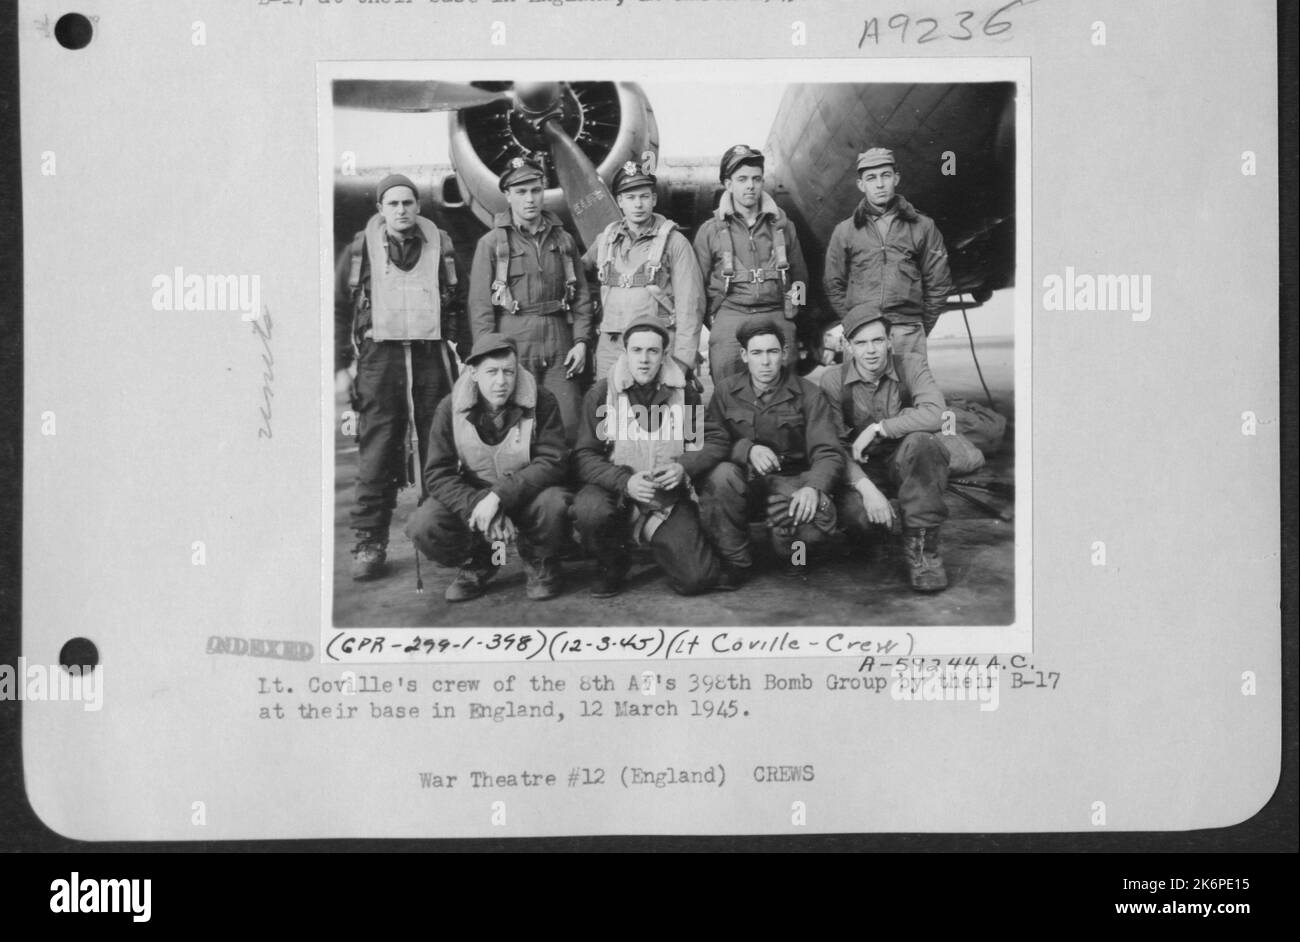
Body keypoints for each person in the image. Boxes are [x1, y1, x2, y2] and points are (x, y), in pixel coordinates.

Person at [335, 173, 467, 581]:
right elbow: (340, 308)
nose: (401, 210)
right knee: (377, 452)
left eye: (408, 202)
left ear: (418, 206)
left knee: (438, 448)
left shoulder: (441, 247)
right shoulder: (360, 251)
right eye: (392, 204)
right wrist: (340, 366)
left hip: (431, 357)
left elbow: (459, 303)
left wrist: (470, 359)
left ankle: (438, 531)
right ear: (380, 209)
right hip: (380, 359)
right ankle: (369, 541)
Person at [572, 316, 734, 597]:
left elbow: (713, 440)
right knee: (589, 509)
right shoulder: (602, 394)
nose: (644, 359)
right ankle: (612, 563)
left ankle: (659, 542)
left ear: (664, 355)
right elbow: (585, 456)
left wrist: (684, 467)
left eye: (652, 351)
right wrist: (625, 482)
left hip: (665, 497)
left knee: (696, 579)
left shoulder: (683, 394)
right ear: (625, 353)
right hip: (617, 493)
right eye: (636, 351)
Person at [404, 335, 572, 602]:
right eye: (491, 372)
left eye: (509, 371)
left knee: (555, 504)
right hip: (476, 495)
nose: (501, 381)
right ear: (473, 372)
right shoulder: (450, 407)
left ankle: (539, 559)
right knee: (423, 525)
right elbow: (437, 473)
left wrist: (500, 497)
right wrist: (480, 504)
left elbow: (553, 460)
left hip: (527, 491)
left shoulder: (541, 399)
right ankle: (480, 559)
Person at [697, 318, 844, 579]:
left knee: (801, 553)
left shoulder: (809, 394)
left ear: (784, 354)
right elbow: (712, 442)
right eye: (756, 353)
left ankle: (794, 554)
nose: (765, 362)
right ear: (744, 355)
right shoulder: (725, 392)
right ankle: (736, 561)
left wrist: (813, 488)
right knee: (720, 477)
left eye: (772, 352)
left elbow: (828, 452)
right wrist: (747, 450)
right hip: (746, 483)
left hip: (792, 483)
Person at [818, 304, 951, 591]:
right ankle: (883, 528)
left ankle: (923, 554)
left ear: (890, 341)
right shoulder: (833, 381)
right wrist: (866, 489)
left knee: (923, 442)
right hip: (863, 472)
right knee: (862, 526)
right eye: (861, 343)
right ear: (848, 346)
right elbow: (834, 446)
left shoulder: (911, 364)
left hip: (904, 462)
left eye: (878, 340)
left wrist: (879, 428)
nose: (871, 351)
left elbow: (938, 413)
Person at [468, 157, 594, 444]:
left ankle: (563, 487)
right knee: (515, 423)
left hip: (559, 338)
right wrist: (489, 354)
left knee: (567, 421)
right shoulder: (491, 244)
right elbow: (481, 307)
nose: (530, 199)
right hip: (512, 340)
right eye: (521, 192)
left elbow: (582, 297)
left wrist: (581, 342)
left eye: (536, 191)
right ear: (508, 195)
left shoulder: (563, 241)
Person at [823, 147, 953, 360]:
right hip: (862, 333)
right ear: (861, 185)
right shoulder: (844, 231)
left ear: (896, 178)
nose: (880, 184)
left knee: (908, 393)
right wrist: (853, 323)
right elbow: (833, 283)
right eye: (871, 178)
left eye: (886, 175)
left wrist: (919, 326)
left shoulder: (924, 227)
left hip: (907, 332)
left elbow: (939, 282)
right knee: (863, 393)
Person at [693, 145, 809, 381]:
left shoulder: (783, 227)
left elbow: (801, 278)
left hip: (775, 313)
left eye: (756, 179)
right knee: (727, 387)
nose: (750, 186)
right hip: (730, 314)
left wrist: (793, 314)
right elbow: (697, 287)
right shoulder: (709, 231)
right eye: (742, 179)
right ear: (728, 184)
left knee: (785, 391)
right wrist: (714, 320)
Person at [584, 161, 705, 380]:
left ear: (654, 199)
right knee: (609, 409)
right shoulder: (605, 242)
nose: (638, 204)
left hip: (656, 347)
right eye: (630, 198)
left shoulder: (675, 243)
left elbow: (690, 306)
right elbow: (577, 275)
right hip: (611, 349)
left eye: (644, 197)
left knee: (657, 412)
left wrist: (683, 360)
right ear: (619, 201)